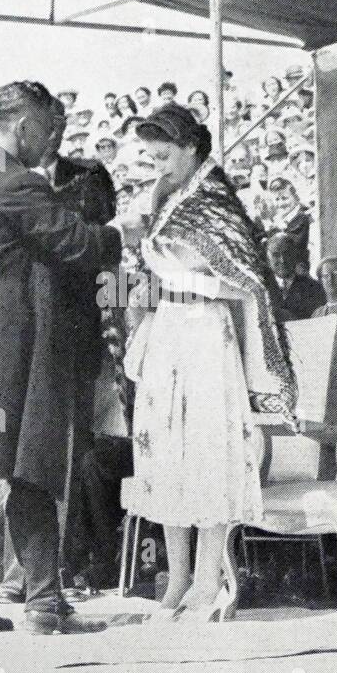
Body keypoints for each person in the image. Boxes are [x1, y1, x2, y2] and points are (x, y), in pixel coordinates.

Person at [0, 81, 127, 635]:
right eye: (52, 130)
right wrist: (119, 233)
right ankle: (44, 605)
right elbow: (80, 246)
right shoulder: (18, 185)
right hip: (12, 344)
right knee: (29, 465)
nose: (54, 142)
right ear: (25, 126)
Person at [124, 103, 297, 621]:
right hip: (168, 331)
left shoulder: (216, 202)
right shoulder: (160, 196)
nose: (160, 167)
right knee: (164, 452)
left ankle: (207, 579)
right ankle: (175, 578)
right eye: (153, 158)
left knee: (206, 451)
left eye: (166, 156)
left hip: (204, 331)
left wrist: (186, 282)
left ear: (192, 148)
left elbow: (248, 281)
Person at [268, 233, 325, 321]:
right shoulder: (263, 289)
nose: (282, 260)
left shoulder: (314, 288)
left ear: (295, 255)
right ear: (268, 259)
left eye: (286, 254)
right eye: (276, 255)